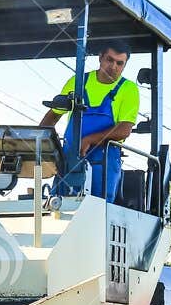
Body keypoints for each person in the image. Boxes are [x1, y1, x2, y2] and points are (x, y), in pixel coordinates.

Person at [38, 39, 140, 203]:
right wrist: (40, 141)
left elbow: (124, 129)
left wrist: (89, 140)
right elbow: (54, 114)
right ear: (100, 57)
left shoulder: (128, 89)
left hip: (104, 164)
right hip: (70, 160)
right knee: (60, 206)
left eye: (120, 63)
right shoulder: (77, 82)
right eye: (110, 60)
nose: (113, 67)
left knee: (97, 210)